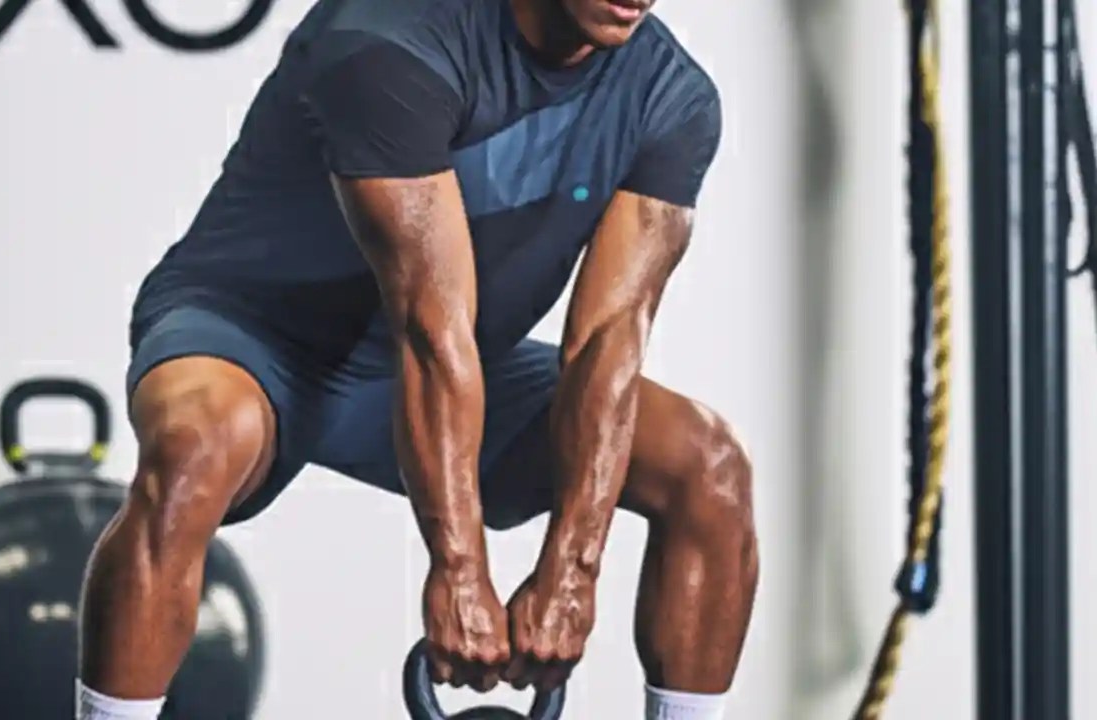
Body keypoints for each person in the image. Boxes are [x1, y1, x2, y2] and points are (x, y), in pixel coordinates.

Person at [77, 0, 758, 717]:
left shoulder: (670, 96)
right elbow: (429, 325)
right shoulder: (387, 39)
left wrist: (573, 569)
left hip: (455, 360)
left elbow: (605, 340)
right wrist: (459, 568)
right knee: (195, 447)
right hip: (255, 339)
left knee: (706, 465)